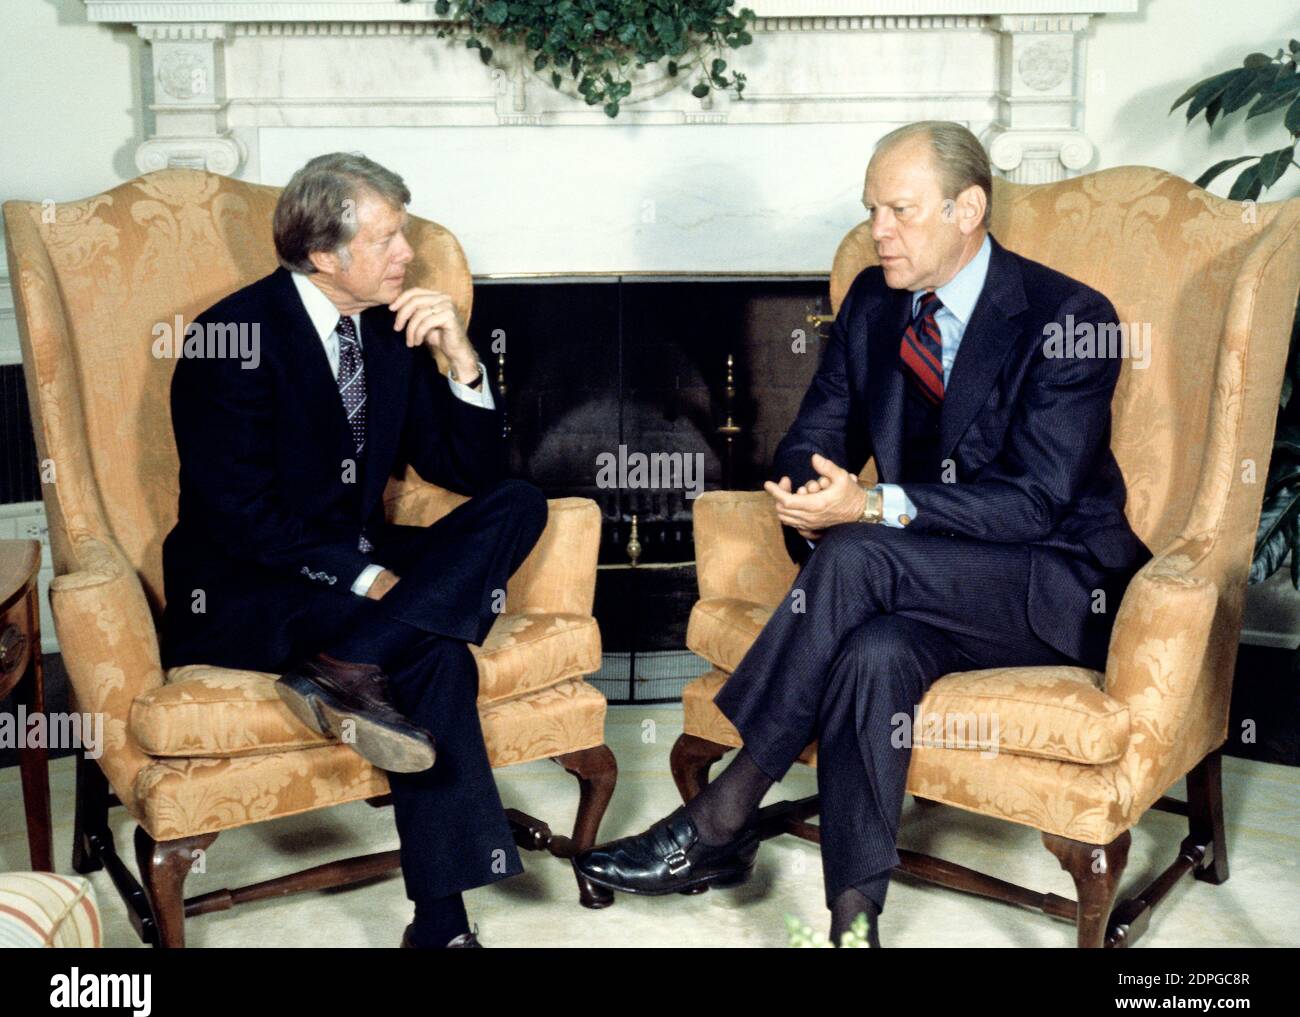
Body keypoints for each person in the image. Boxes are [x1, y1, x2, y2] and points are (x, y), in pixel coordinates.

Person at [573, 121, 1151, 947]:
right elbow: (815, 435)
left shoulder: (1067, 317)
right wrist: (811, 491)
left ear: (968, 209)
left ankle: (723, 813)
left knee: (857, 550)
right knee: (872, 650)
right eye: (872, 208)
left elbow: (1036, 503)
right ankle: (854, 917)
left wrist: (870, 509)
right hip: (915, 583)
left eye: (901, 210)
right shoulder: (876, 305)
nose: (878, 231)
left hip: (1050, 583)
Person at [160, 152, 548, 948]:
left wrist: (461, 358)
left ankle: (349, 661)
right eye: (389, 238)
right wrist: (369, 577)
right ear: (325, 255)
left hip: (348, 571)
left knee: (521, 502)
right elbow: (241, 519)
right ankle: (442, 927)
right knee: (437, 654)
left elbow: (470, 473)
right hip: (244, 583)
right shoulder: (229, 337)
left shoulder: (388, 329)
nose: (408, 253)